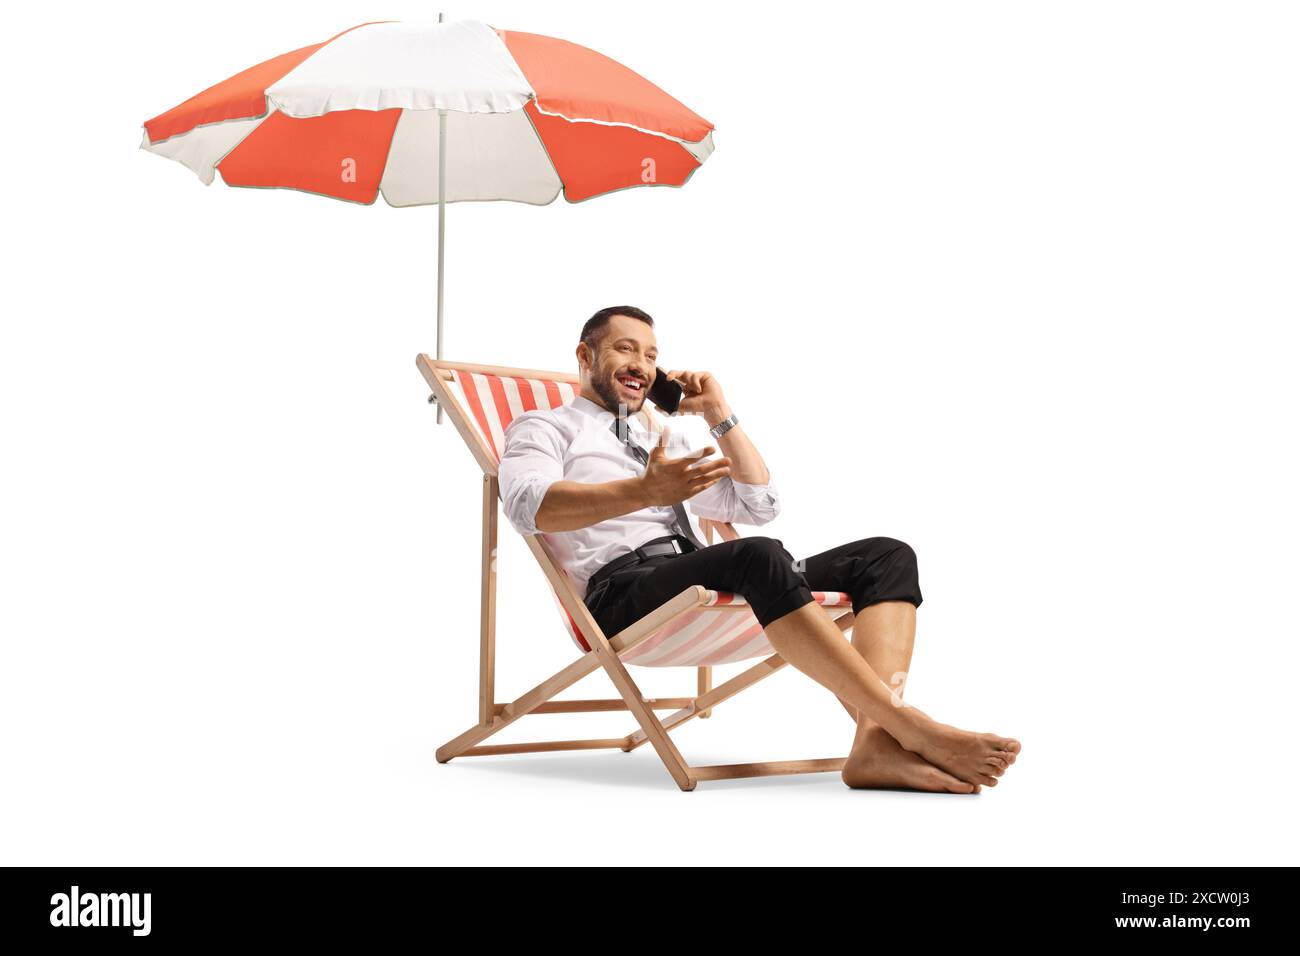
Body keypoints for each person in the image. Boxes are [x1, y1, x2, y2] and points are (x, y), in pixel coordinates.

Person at [497, 306, 1021, 793]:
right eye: (626, 350)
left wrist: (719, 415)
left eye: (652, 356)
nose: (642, 366)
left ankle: (873, 745)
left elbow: (759, 503)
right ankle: (907, 723)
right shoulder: (544, 427)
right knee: (758, 555)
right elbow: (527, 505)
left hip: (693, 574)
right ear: (585, 356)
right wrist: (644, 492)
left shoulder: (660, 436)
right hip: (623, 595)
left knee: (886, 556)